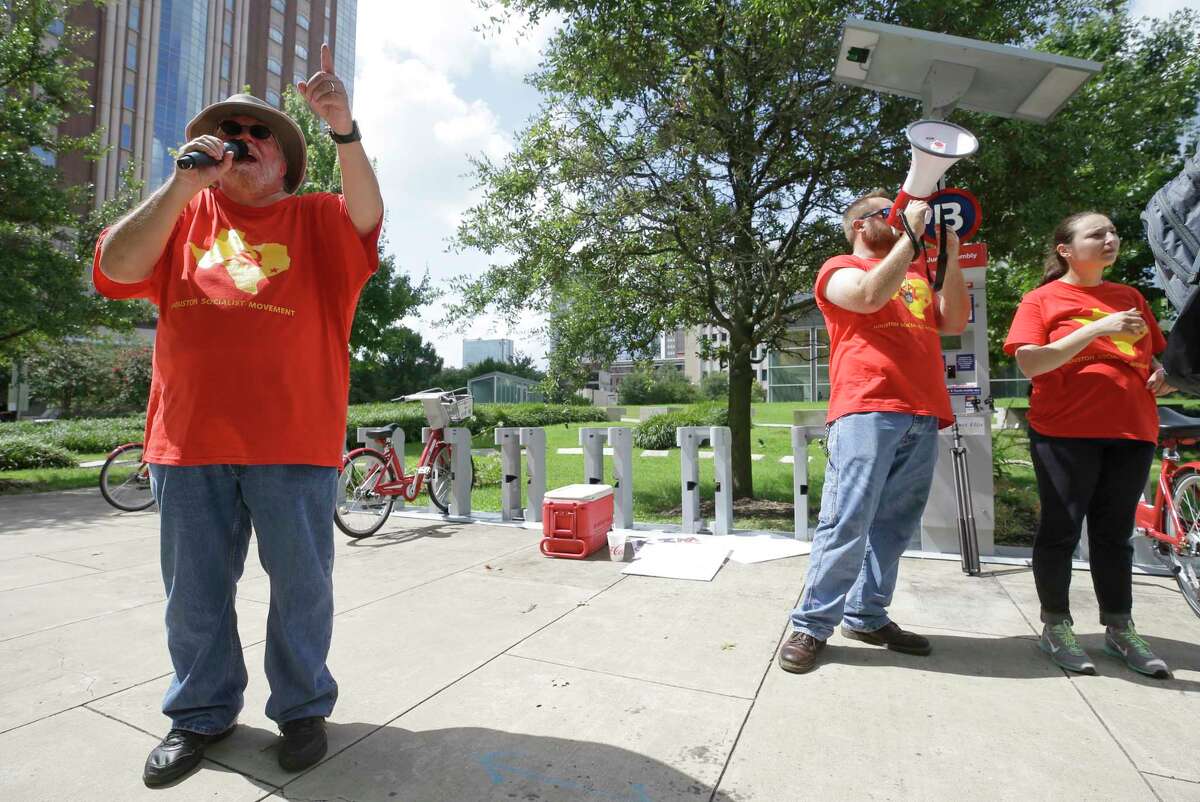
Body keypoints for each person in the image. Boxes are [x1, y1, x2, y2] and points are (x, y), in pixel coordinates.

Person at [93, 44, 384, 787]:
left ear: (284, 163)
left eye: (256, 135)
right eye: (228, 132)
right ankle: (200, 716)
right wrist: (183, 183)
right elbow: (118, 268)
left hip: (294, 440)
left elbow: (367, 213)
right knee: (193, 599)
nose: (240, 140)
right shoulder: (182, 218)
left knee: (300, 591)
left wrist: (344, 130)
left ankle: (302, 708)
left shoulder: (317, 220)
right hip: (189, 443)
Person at [778, 189, 969, 674]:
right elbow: (866, 298)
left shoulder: (915, 273)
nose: (903, 215)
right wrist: (912, 234)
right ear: (861, 225)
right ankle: (812, 624)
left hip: (923, 410)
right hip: (866, 408)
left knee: (894, 526)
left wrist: (948, 253)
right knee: (847, 519)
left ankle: (866, 614)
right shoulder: (840, 268)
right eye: (890, 211)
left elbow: (954, 320)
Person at [1003, 211, 1173, 679]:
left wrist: (1162, 374)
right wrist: (1097, 328)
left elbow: (1153, 355)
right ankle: (1056, 627)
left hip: (1132, 429)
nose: (1110, 239)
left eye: (1113, 232)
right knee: (1060, 531)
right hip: (1064, 431)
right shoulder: (1042, 299)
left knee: (1115, 535)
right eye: (1097, 233)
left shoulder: (1130, 297)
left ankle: (1120, 629)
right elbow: (1031, 364)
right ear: (1065, 249)